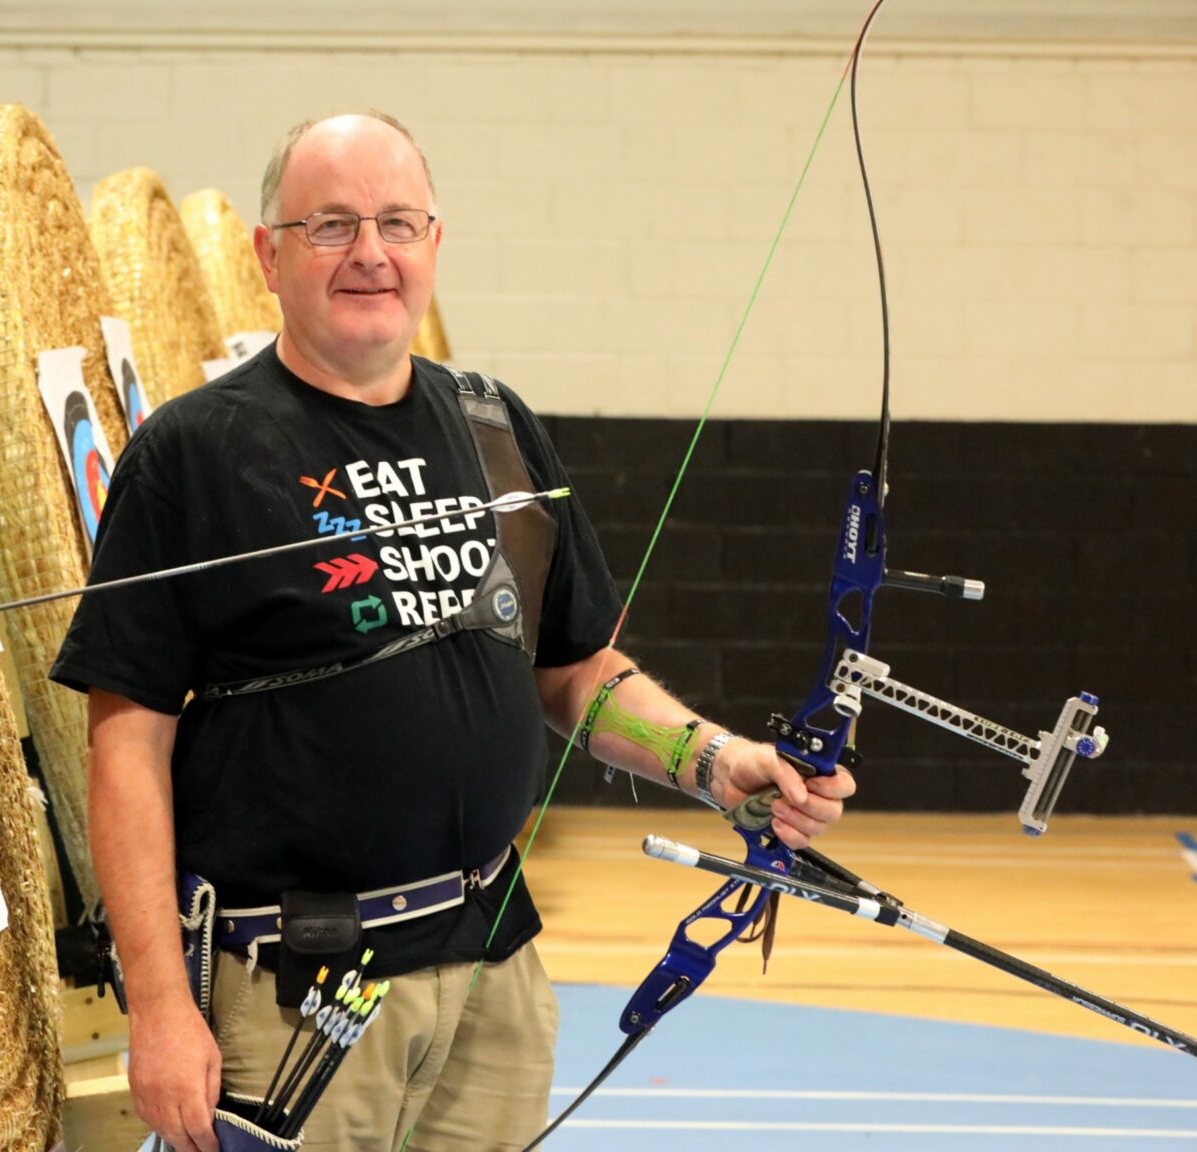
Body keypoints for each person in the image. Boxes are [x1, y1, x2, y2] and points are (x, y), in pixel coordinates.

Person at [51, 111, 856, 1152]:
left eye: (398, 222)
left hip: (491, 976)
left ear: (434, 242)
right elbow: (126, 745)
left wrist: (715, 762)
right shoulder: (193, 453)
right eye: (330, 224)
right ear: (269, 255)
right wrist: (159, 1005)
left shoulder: (492, 425)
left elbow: (572, 670)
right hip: (294, 991)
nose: (370, 252)